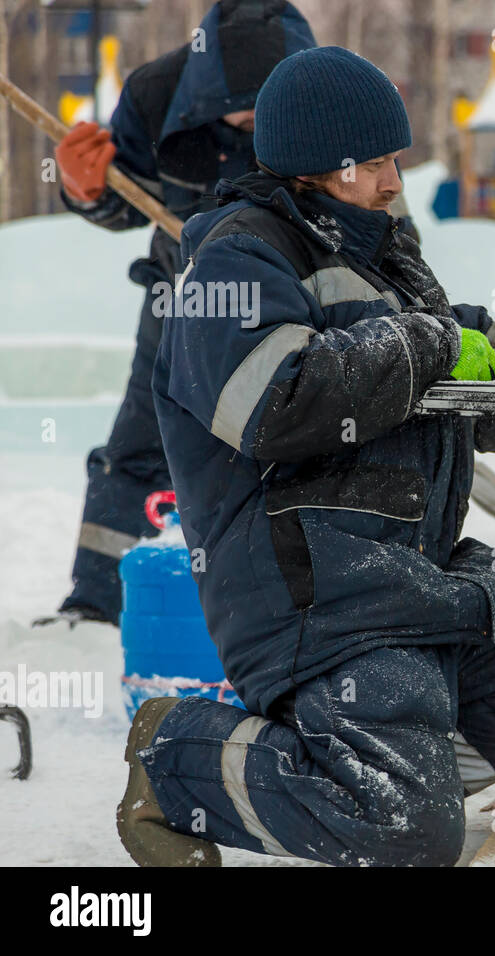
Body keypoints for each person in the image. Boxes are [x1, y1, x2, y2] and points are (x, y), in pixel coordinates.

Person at [118, 45, 495, 867]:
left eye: (393, 157)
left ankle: (384, 773)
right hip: (323, 604)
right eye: (370, 162)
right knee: (406, 837)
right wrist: (439, 346)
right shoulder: (232, 259)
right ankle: (181, 761)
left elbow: (456, 381)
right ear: (309, 168)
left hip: (418, 588)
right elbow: (272, 400)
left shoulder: (378, 251)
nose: (392, 179)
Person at [37, 0, 316, 627]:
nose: (246, 126)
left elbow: (376, 213)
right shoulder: (156, 95)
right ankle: (98, 605)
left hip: (297, 305)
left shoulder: (329, 96)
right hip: (181, 297)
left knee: (288, 445)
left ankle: (290, 611)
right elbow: (126, 202)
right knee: (141, 445)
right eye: (236, 113)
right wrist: (88, 192)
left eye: (261, 117)